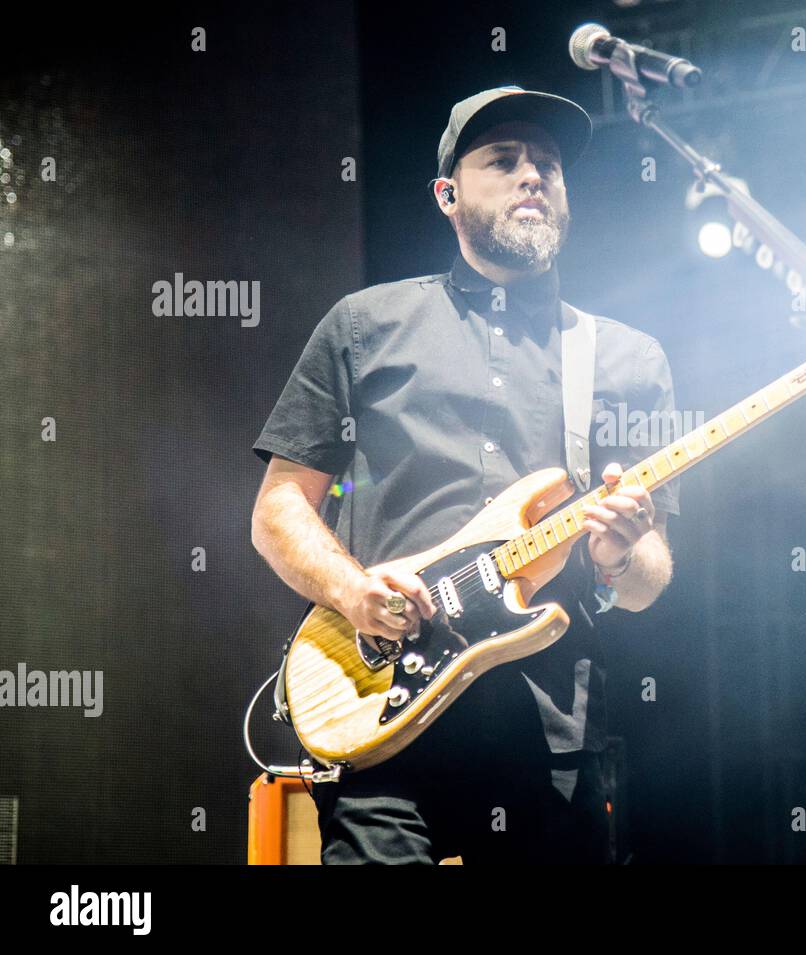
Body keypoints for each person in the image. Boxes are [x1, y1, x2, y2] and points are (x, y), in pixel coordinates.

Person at [249, 86, 679, 864]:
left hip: (552, 730)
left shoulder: (626, 358)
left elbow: (647, 583)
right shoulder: (364, 325)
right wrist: (353, 591)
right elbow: (278, 508)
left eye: (547, 164)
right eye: (505, 161)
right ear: (447, 195)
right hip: (381, 709)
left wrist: (619, 556)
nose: (532, 177)